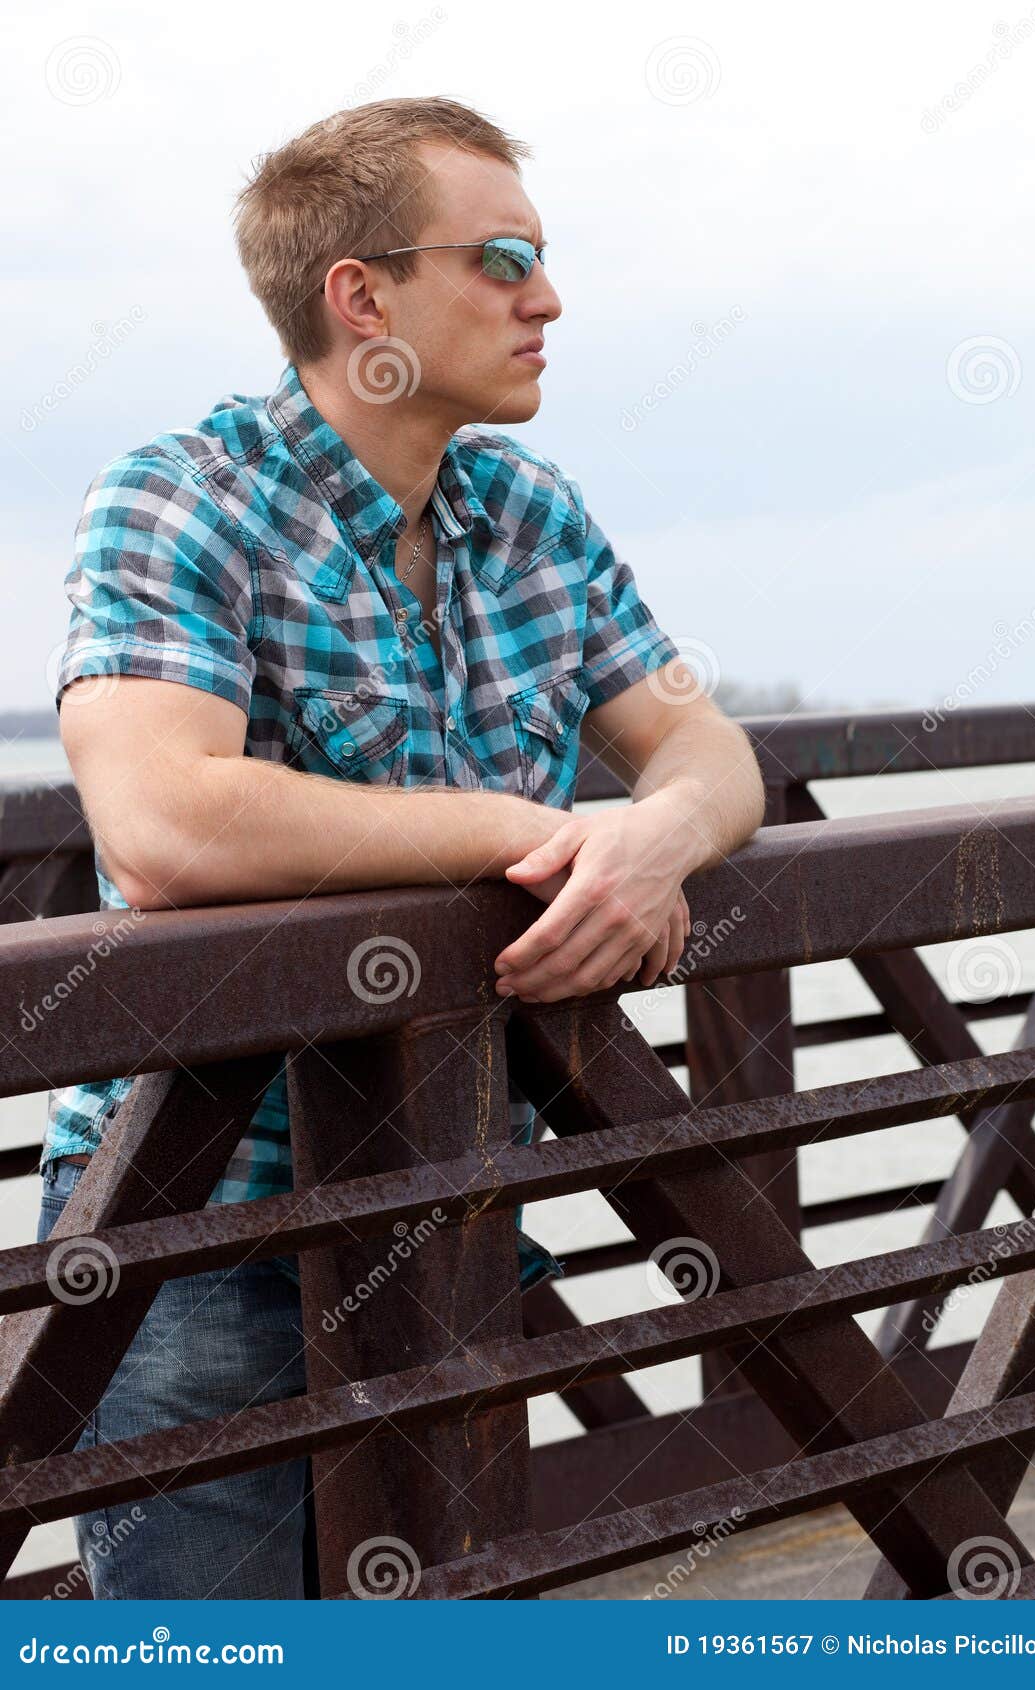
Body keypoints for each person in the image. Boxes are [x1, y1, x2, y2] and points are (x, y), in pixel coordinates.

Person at [40, 95, 766, 1598]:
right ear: (359, 297)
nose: (548, 298)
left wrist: (656, 840)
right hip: (196, 1224)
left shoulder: (532, 512)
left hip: (454, 1209)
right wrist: (527, 826)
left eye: (545, 259)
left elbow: (706, 743)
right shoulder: (184, 494)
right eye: (502, 258)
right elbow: (166, 819)